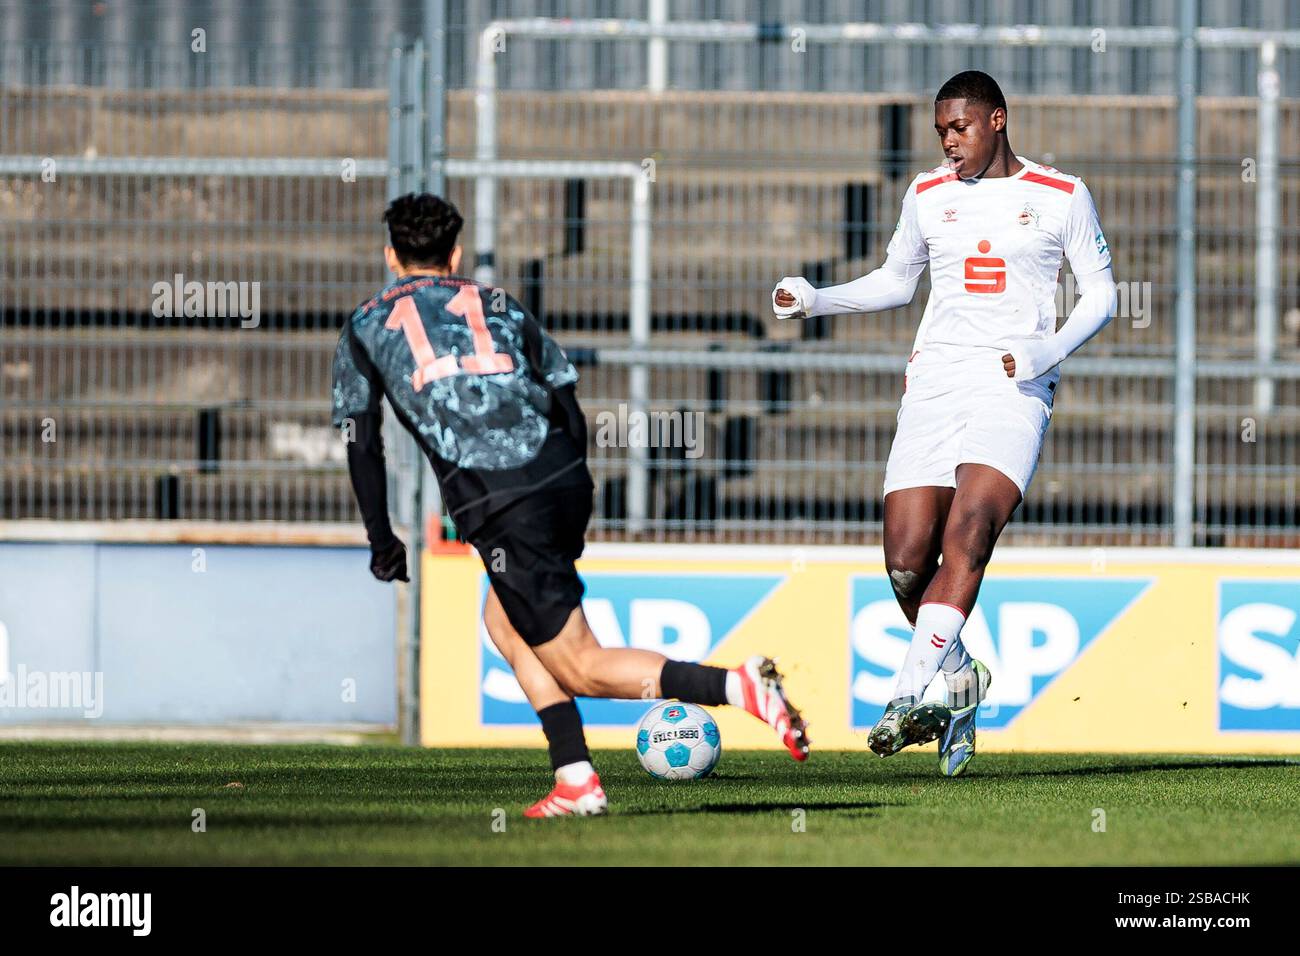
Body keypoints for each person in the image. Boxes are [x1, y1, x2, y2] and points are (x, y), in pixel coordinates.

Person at [334, 193, 809, 817]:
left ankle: (735, 685)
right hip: (560, 474)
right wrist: (570, 477)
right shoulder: (502, 305)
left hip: (502, 499)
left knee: (580, 664)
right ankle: (575, 778)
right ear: (454, 254)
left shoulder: (366, 326)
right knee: (505, 626)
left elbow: (360, 442)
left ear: (390, 254)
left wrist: (380, 536)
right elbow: (564, 396)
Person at [772, 71, 1116, 776]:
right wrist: (815, 298)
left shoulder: (1060, 194)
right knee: (905, 563)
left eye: (959, 128)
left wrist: (1047, 349)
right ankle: (961, 679)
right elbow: (898, 281)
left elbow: (1103, 294)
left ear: (997, 120)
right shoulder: (928, 193)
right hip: (933, 383)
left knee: (970, 532)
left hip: (1013, 385)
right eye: (940, 132)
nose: (949, 143)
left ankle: (904, 698)